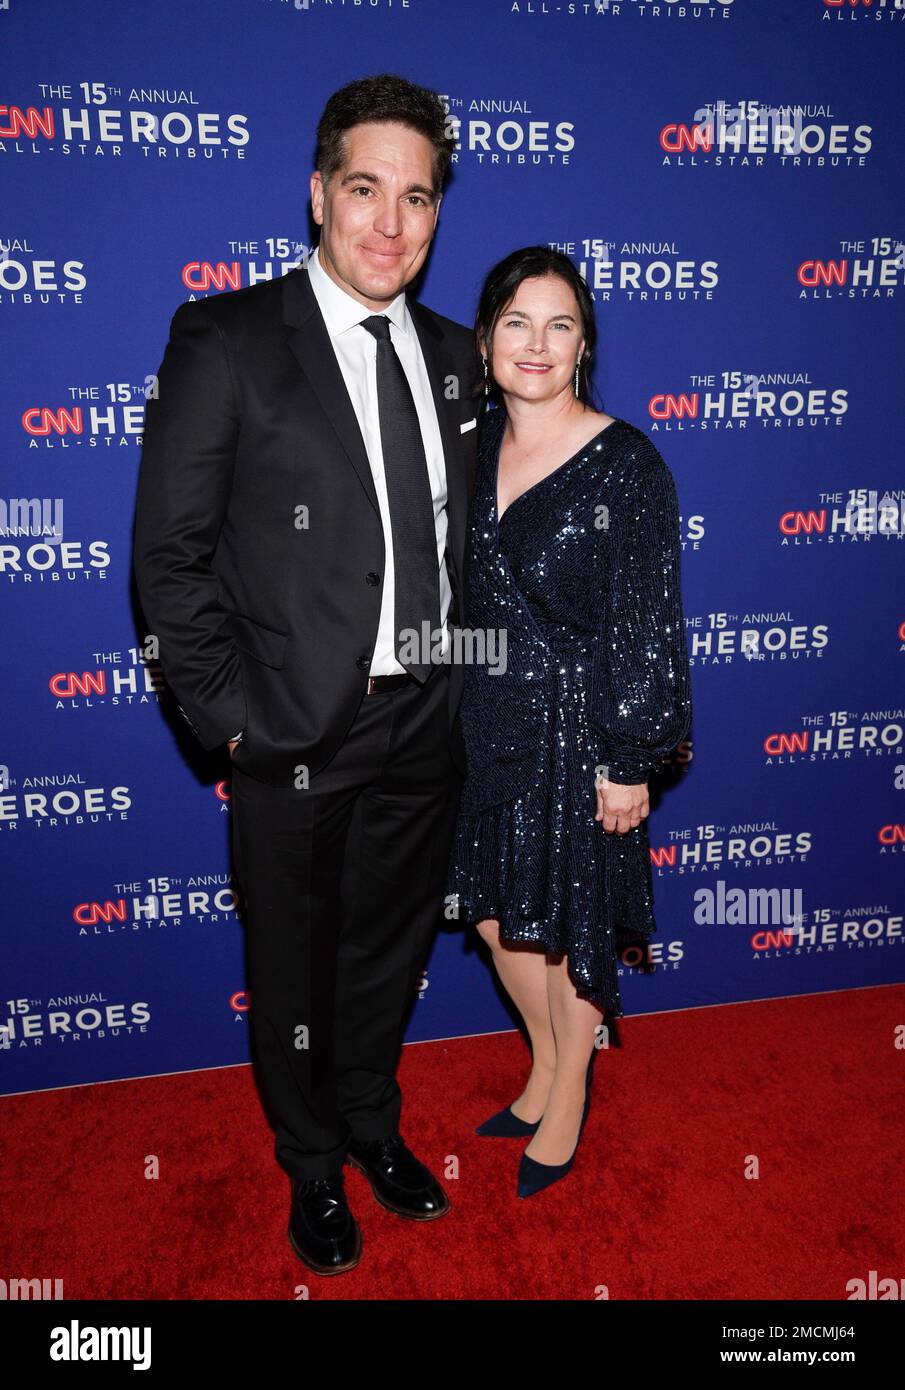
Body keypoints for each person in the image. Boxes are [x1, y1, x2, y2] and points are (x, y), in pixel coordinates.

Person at [133, 74, 480, 1276]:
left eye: (417, 197)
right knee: (292, 967)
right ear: (318, 194)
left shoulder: (454, 357)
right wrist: (230, 721)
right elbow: (167, 561)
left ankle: (374, 1125)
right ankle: (313, 1167)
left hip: (424, 727)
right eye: (365, 189)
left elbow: (463, 547)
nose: (390, 224)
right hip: (288, 738)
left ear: (438, 214)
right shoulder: (226, 339)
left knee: (388, 953)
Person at [446, 246, 692, 1198]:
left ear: (584, 343)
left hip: (580, 732)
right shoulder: (470, 449)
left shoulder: (628, 463)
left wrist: (628, 755)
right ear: (485, 339)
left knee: (569, 922)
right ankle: (548, 1062)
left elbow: (646, 618)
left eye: (558, 325)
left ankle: (569, 1089)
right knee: (502, 921)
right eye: (516, 322)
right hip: (486, 720)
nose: (536, 343)